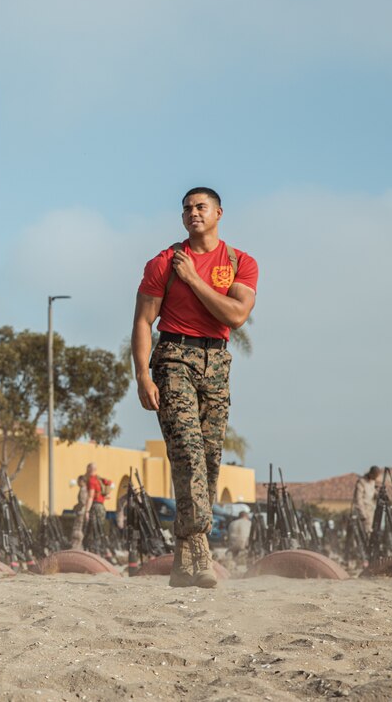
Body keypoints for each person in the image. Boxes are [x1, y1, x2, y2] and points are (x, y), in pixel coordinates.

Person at [132, 187, 258, 588]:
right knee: (186, 452)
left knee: (209, 459)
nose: (193, 213)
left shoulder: (241, 262)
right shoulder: (165, 262)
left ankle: (183, 556)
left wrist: (193, 280)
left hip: (217, 362)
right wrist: (142, 375)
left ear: (219, 212)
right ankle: (198, 546)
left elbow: (236, 315)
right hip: (173, 358)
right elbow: (142, 321)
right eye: (186, 209)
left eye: (200, 207)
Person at [352, 466, 382, 534]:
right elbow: (358, 499)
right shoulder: (362, 482)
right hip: (364, 511)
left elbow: (373, 493)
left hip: (372, 510)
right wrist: (363, 514)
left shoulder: (373, 482)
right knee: (367, 532)